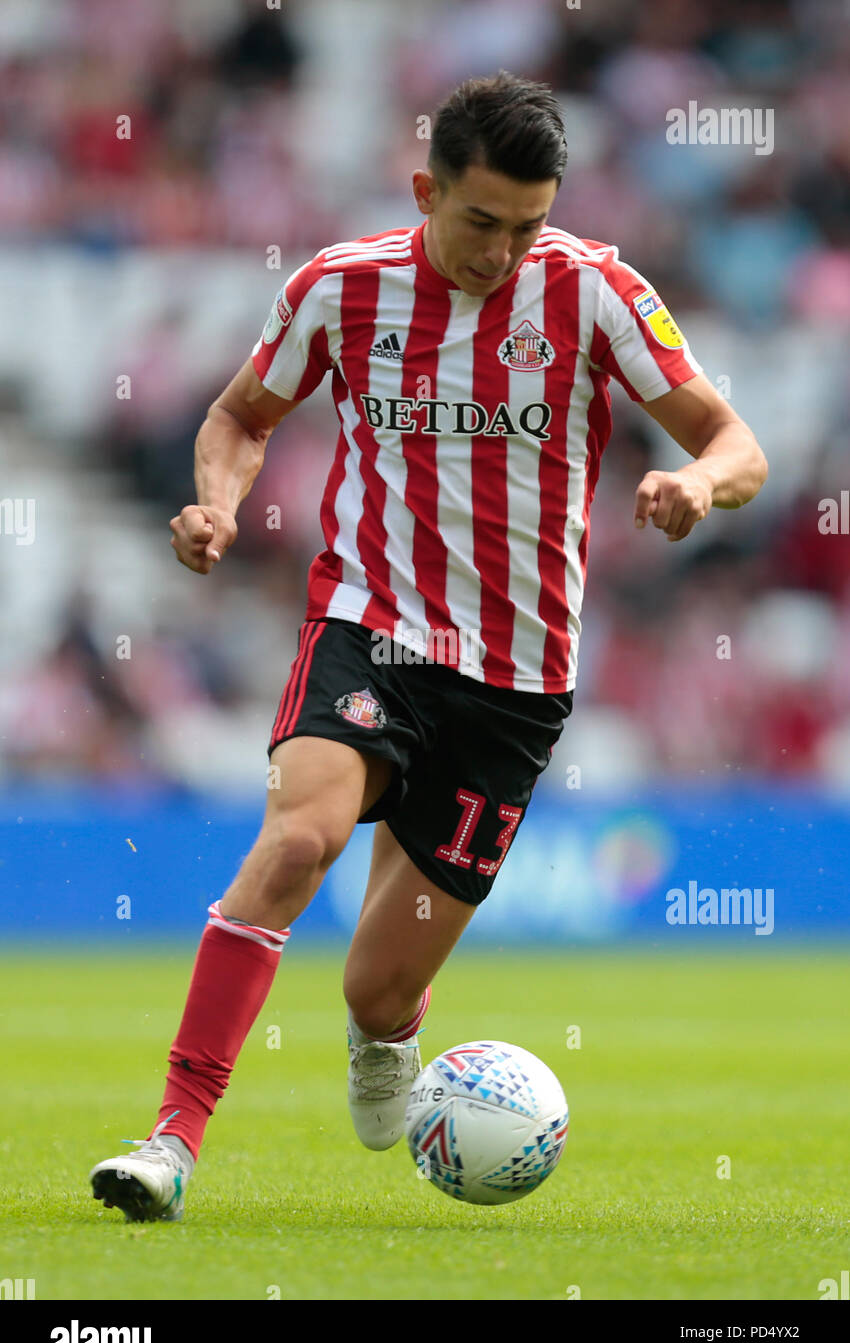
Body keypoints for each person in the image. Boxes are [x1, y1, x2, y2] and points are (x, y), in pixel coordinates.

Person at [89, 70, 767, 1221]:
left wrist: (697, 482)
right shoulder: (340, 289)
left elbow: (732, 437)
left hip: (513, 678)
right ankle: (171, 1141)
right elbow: (239, 417)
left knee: (377, 981)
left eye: (528, 226)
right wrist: (215, 501)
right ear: (426, 189)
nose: (501, 252)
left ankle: (385, 1034)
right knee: (298, 838)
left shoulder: (595, 292)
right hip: (370, 622)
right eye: (479, 222)